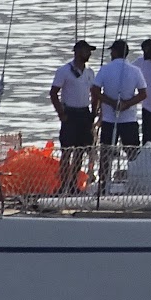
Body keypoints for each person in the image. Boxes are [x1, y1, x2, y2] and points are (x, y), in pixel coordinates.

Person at [93, 39, 148, 181]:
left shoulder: (105, 69)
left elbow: (95, 90)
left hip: (109, 119)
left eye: (112, 51)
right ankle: (136, 181)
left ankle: (103, 181)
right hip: (129, 119)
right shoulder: (135, 70)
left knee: (106, 153)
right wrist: (127, 104)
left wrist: (111, 103)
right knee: (132, 153)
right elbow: (143, 94)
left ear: (115, 52)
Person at [49, 39, 98, 193]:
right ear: (77, 52)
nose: (89, 54)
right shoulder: (64, 71)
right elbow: (53, 93)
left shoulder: (90, 72)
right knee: (66, 151)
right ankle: (63, 184)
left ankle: (73, 184)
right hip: (70, 113)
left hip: (84, 113)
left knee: (80, 151)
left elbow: (94, 93)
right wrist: (61, 113)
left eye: (89, 51)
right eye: (86, 51)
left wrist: (94, 112)